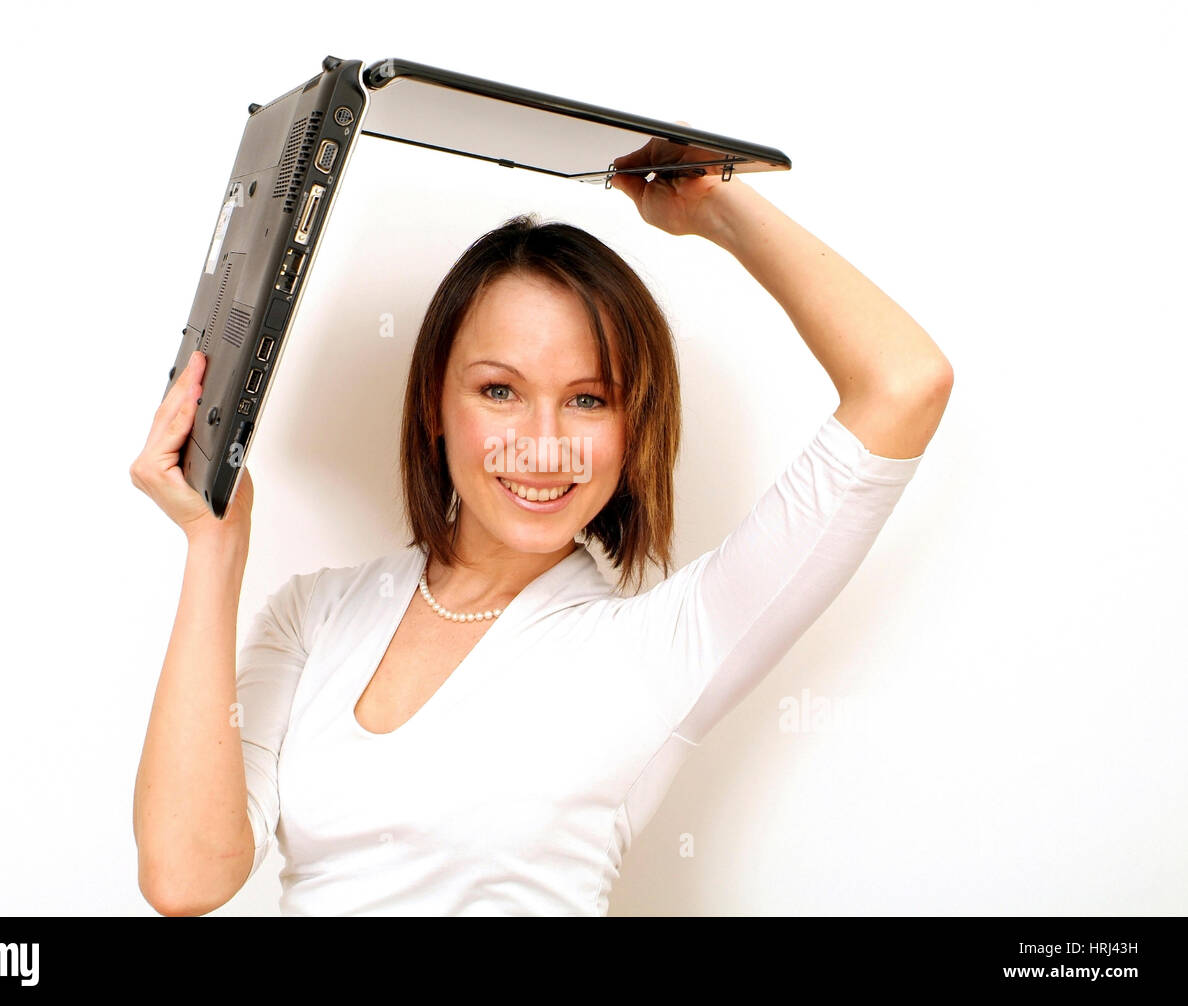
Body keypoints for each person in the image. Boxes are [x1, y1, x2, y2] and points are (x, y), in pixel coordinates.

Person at [129, 134, 954, 916]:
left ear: (634, 430)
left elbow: (905, 382)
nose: (545, 442)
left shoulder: (666, 644)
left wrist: (716, 210)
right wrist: (213, 544)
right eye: (499, 391)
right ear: (434, 407)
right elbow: (186, 875)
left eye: (588, 399)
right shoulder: (316, 616)